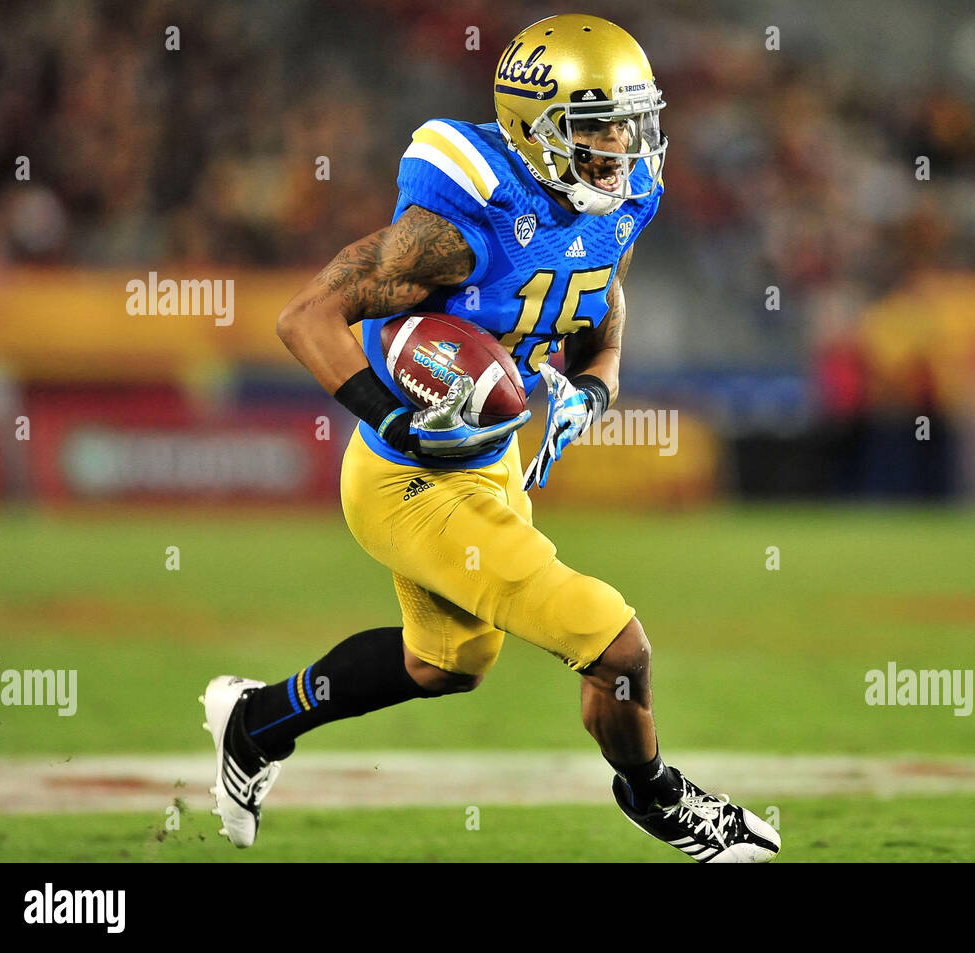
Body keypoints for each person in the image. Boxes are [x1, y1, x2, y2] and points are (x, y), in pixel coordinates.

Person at [200, 13, 779, 863]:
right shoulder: (459, 221)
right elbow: (307, 317)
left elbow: (600, 297)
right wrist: (391, 413)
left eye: (631, 121)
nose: (622, 145)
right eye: (597, 127)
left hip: (488, 463)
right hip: (409, 478)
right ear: (535, 130)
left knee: (449, 661)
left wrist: (593, 385)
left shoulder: (620, 196)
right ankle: (657, 797)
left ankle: (253, 725)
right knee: (614, 642)